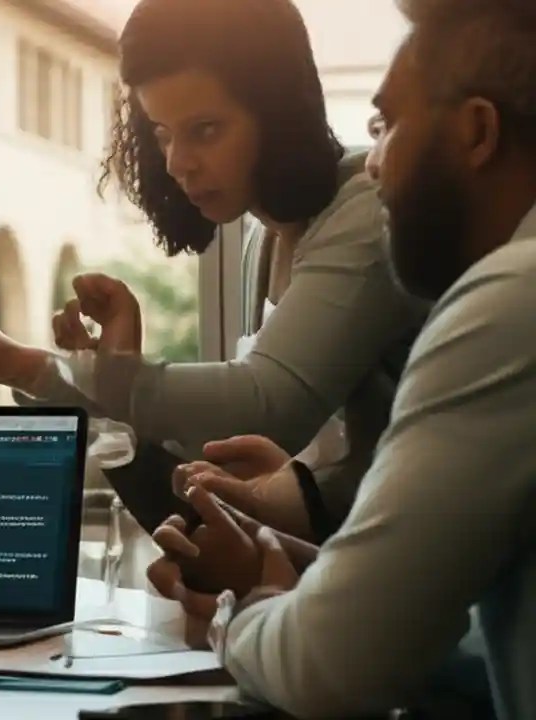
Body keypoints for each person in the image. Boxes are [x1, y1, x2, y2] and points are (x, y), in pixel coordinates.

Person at [0, 0, 425, 542]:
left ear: (280, 112)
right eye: (163, 134)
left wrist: (29, 365)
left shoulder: (365, 212)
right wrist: (103, 375)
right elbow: (211, 459)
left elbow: (265, 406)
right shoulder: (259, 241)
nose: (176, 162)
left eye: (206, 130)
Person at [149, 0, 536, 715]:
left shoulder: (513, 299)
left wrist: (244, 608)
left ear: (477, 131)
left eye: (387, 126)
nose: (375, 168)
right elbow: (478, 647)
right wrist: (317, 580)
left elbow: (330, 672)